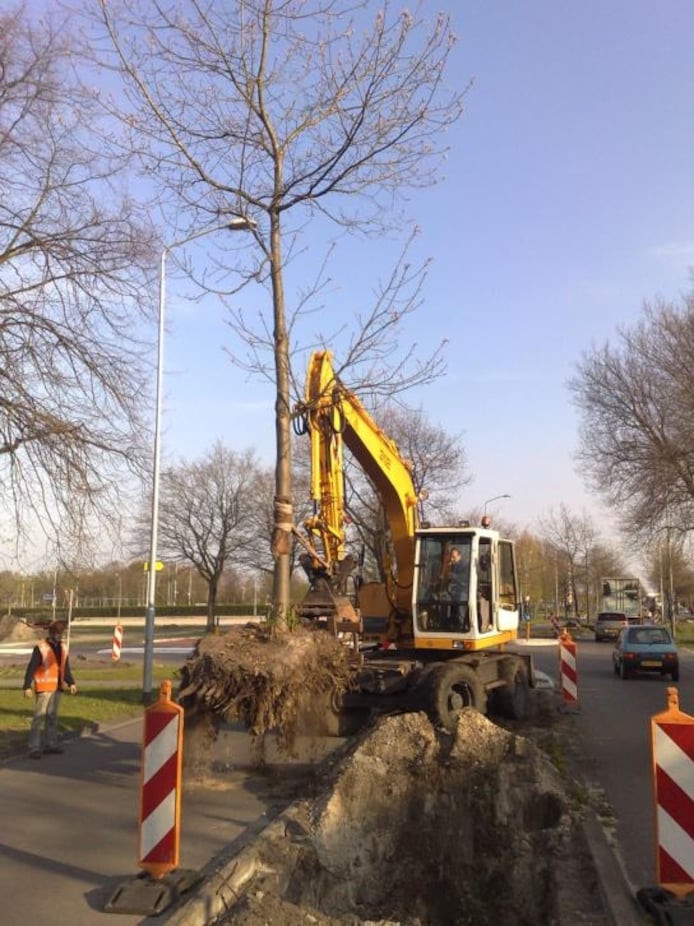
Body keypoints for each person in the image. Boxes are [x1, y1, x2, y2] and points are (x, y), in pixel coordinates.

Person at [23, 620, 77, 759]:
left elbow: (65, 667)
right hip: (44, 687)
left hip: (57, 687)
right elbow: (32, 667)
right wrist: (27, 686)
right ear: (52, 633)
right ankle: (34, 747)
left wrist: (71, 683)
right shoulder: (41, 648)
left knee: (52, 717)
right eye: (58, 633)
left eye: (61, 633)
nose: (60, 636)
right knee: (39, 718)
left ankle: (50, 744)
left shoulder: (63, 647)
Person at [448, 547, 470, 631]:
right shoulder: (451, 565)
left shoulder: (466, 564)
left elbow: (465, 578)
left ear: (459, 556)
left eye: (454, 557)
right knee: (441, 598)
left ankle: (461, 627)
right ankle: (447, 624)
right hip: (453, 590)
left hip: (465, 590)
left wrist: (452, 575)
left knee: (461, 601)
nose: (452, 559)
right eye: (451, 557)